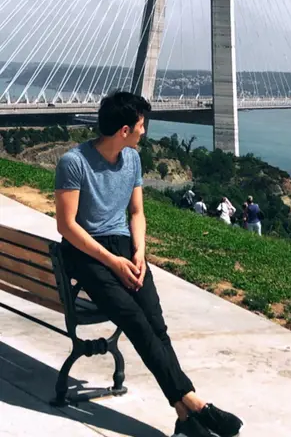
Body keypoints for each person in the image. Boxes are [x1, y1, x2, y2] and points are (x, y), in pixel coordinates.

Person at [55, 91, 242, 437]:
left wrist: (139, 251)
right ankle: (196, 404)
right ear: (124, 130)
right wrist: (113, 262)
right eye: (141, 125)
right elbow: (67, 226)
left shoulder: (132, 159)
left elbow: (137, 213)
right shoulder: (74, 162)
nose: (144, 131)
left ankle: (185, 416)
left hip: (125, 248)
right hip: (86, 254)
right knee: (134, 320)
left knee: (156, 324)